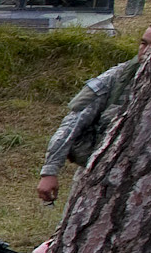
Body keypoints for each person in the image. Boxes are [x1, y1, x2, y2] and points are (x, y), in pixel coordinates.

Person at [38, 24, 150, 204]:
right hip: (105, 183)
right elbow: (73, 122)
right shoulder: (118, 78)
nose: (145, 52)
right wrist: (49, 171)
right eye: (144, 44)